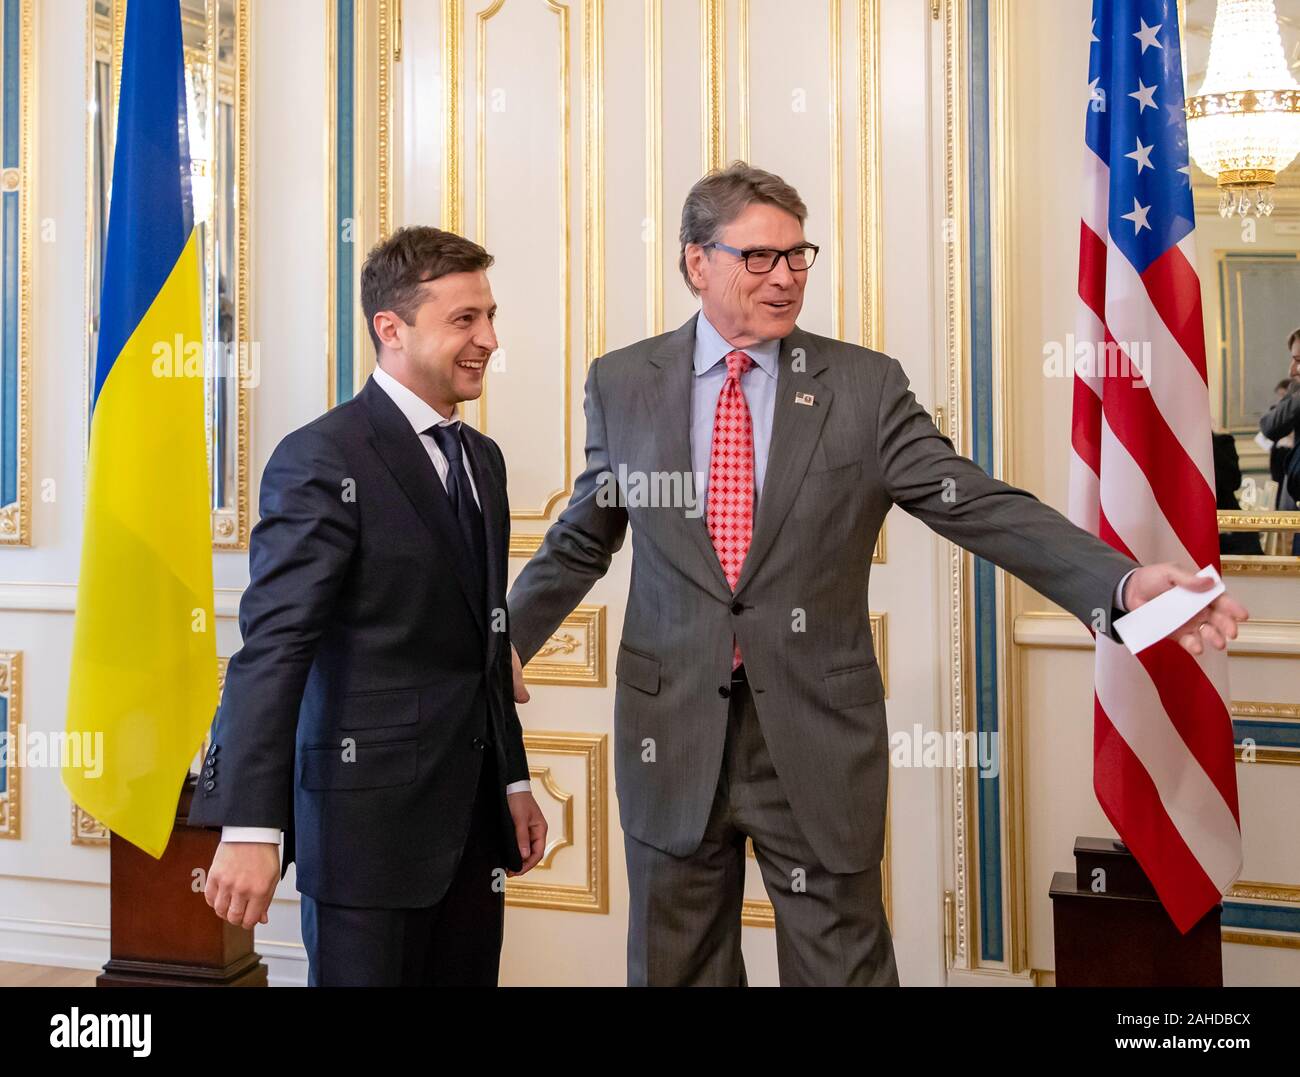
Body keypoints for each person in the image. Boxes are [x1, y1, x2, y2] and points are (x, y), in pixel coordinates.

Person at [505, 161, 1248, 987]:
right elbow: (582, 538)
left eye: (798, 255)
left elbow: (972, 500)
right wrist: (508, 641)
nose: (786, 277)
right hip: (670, 733)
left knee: (844, 972)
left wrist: (1120, 584)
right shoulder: (622, 383)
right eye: (759, 257)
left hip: (815, 737)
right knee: (675, 971)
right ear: (696, 261)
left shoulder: (862, 386)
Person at [188, 227, 547, 986]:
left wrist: (513, 782)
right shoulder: (322, 457)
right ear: (392, 328)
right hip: (364, 838)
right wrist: (250, 825)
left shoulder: (483, 460)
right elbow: (275, 648)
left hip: (473, 832)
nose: (489, 339)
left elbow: (484, 640)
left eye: (490, 316)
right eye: (464, 319)